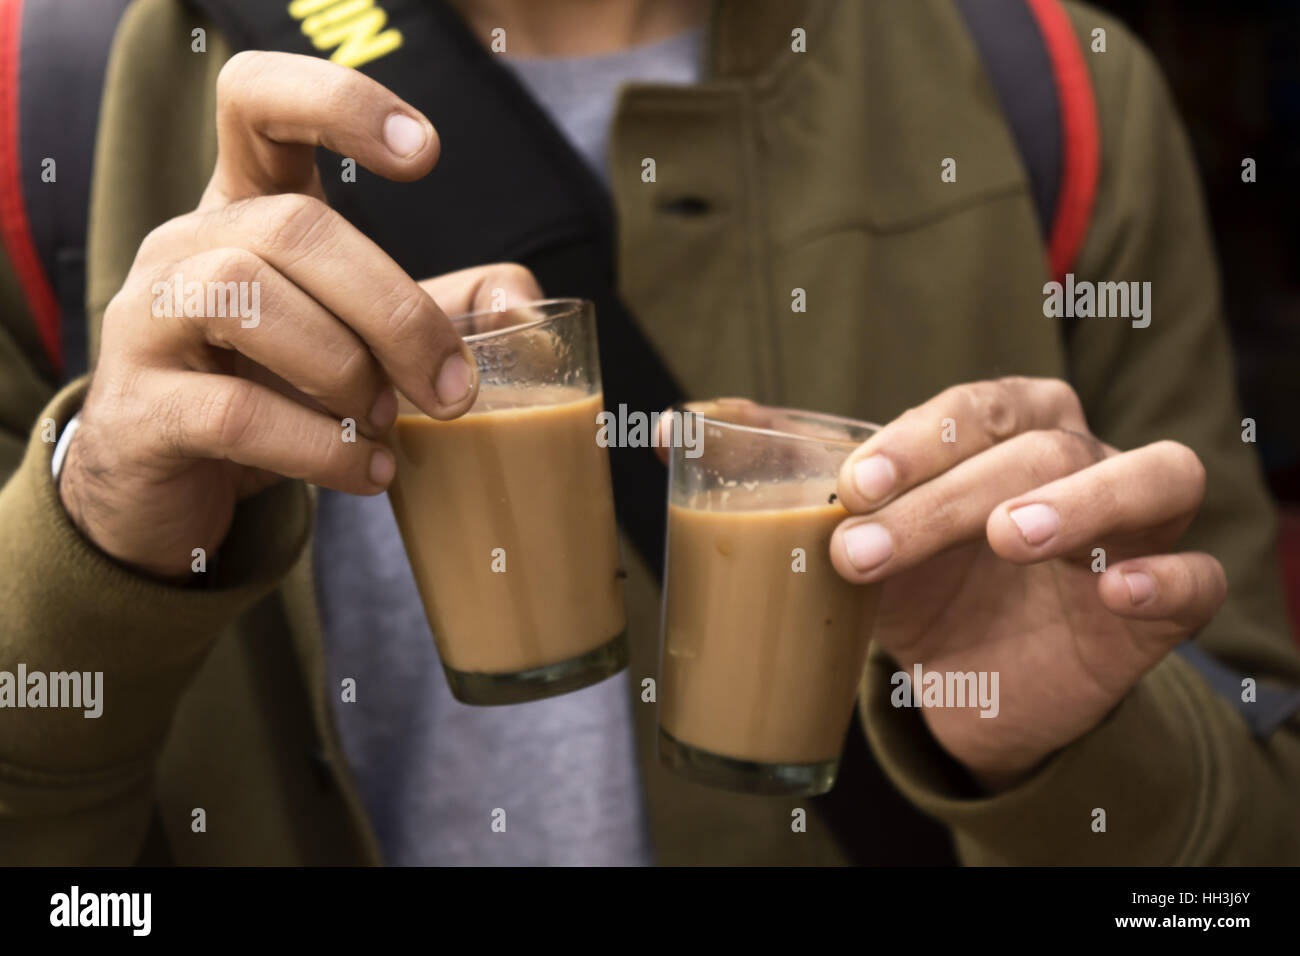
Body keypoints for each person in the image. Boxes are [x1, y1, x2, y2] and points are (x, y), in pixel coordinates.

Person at [1, 0, 1297, 866]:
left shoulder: (1055, 90)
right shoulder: (41, 103)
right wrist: (94, 531)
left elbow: (1247, 841)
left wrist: (1077, 755)